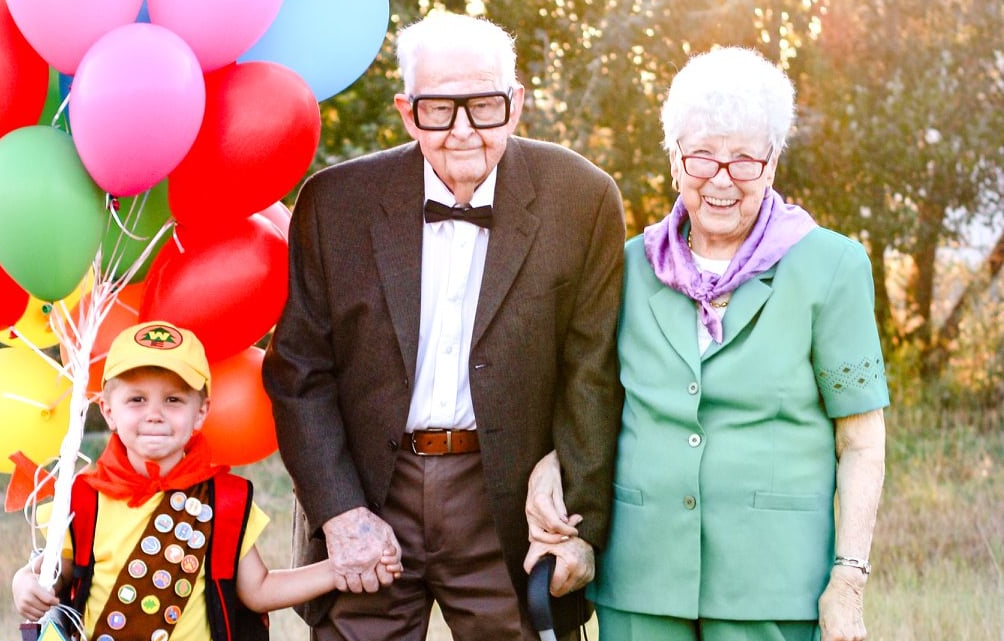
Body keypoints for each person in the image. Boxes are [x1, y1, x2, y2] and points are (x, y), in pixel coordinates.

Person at [262, 11, 626, 641]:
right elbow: (298, 374)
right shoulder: (333, 204)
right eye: (438, 109)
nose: (462, 130)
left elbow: (593, 374)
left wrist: (580, 519)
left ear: (515, 105)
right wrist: (341, 512)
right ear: (407, 112)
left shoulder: (584, 198)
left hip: (507, 500)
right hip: (372, 493)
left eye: (482, 106)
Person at [525, 47, 889, 641]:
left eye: (744, 160)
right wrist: (549, 461)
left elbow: (862, 440)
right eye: (702, 157)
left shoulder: (832, 266)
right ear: (674, 161)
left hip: (774, 585)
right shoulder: (628, 267)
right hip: (640, 579)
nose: (721, 179)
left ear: (771, 164)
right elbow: (586, 391)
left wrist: (848, 580)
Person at [12, 321, 400, 641]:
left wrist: (341, 567)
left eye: (173, 400)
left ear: (202, 412)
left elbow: (259, 590)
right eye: (137, 400)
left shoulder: (226, 501)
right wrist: (22, 583)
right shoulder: (81, 497)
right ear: (108, 411)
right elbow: (52, 574)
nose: (154, 415)